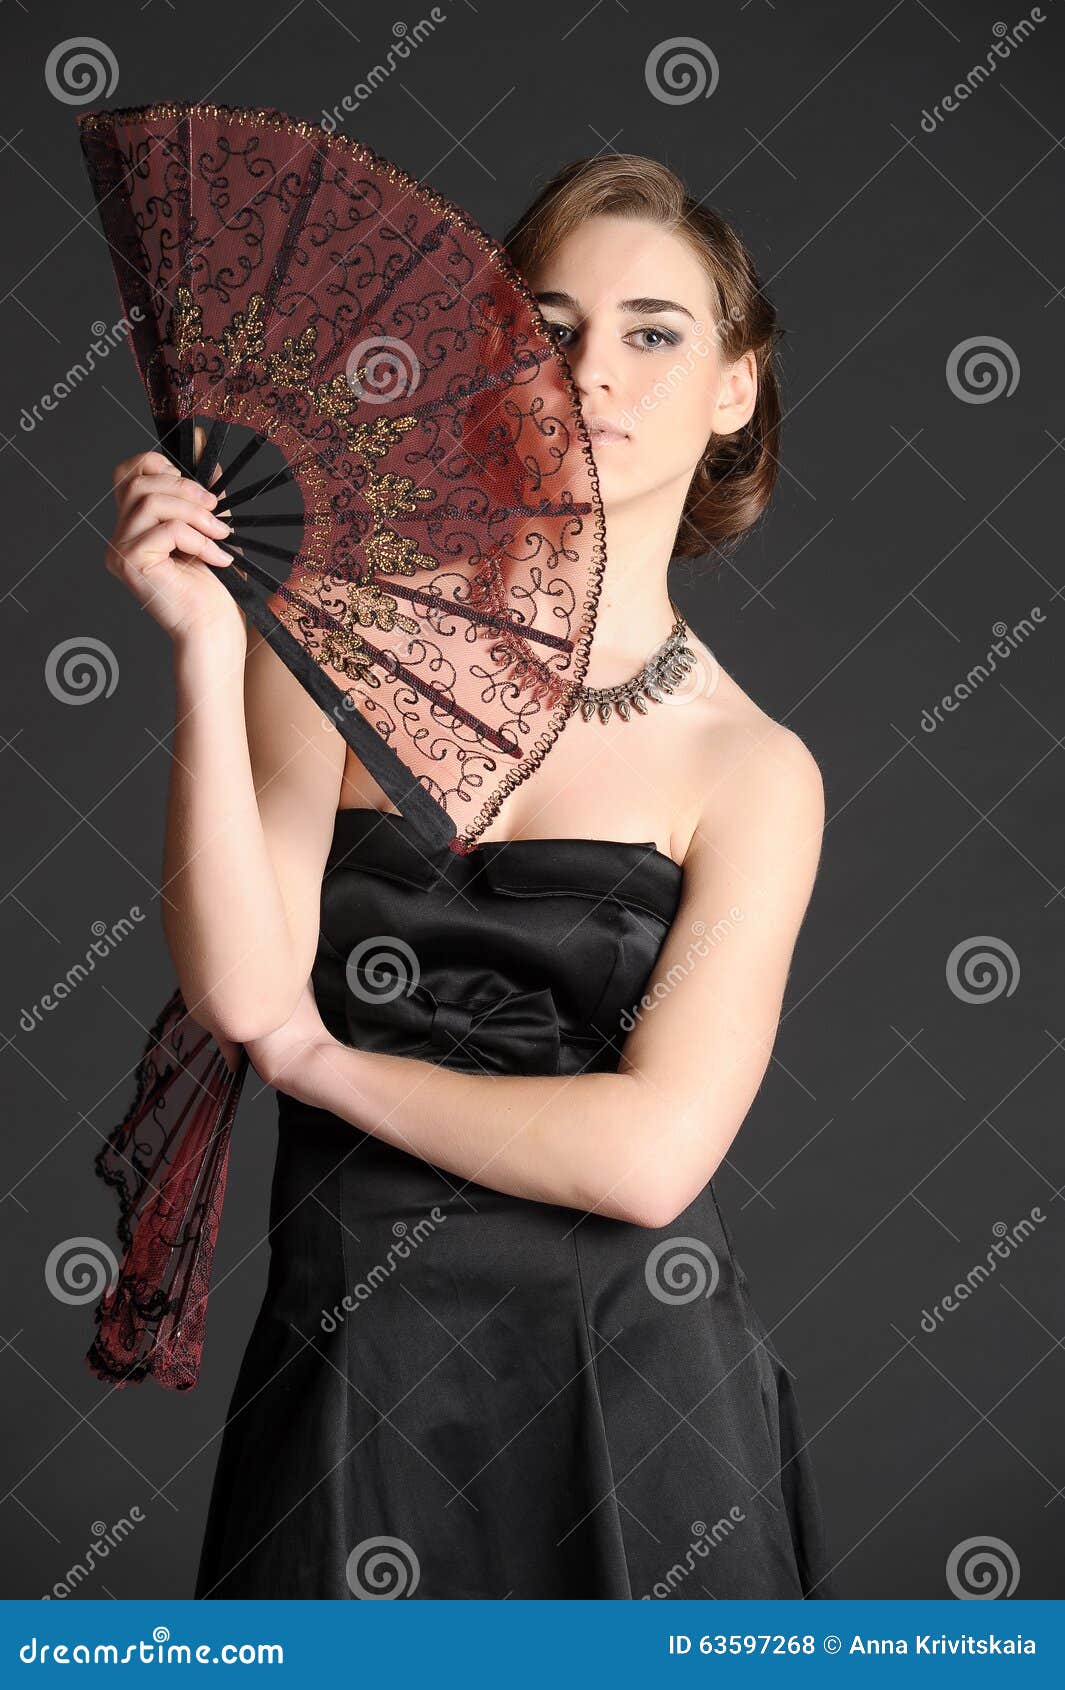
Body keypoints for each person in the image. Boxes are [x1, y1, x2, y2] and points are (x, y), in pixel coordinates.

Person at [102, 152, 833, 1600]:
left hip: (634, 1395)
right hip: (351, 1364)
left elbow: (648, 1157)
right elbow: (240, 982)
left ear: (734, 383)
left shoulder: (752, 769)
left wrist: (321, 1064)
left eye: (653, 331)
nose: (594, 374)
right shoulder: (330, 644)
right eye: (548, 325)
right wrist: (201, 645)